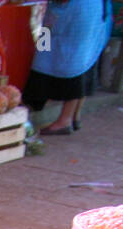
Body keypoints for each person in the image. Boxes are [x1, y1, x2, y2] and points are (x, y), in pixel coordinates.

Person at [26, 0, 111, 136]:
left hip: (74, 13)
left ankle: (64, 120)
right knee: (79, 59)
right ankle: (74, 116)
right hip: (92, 10)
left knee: (67, 61)